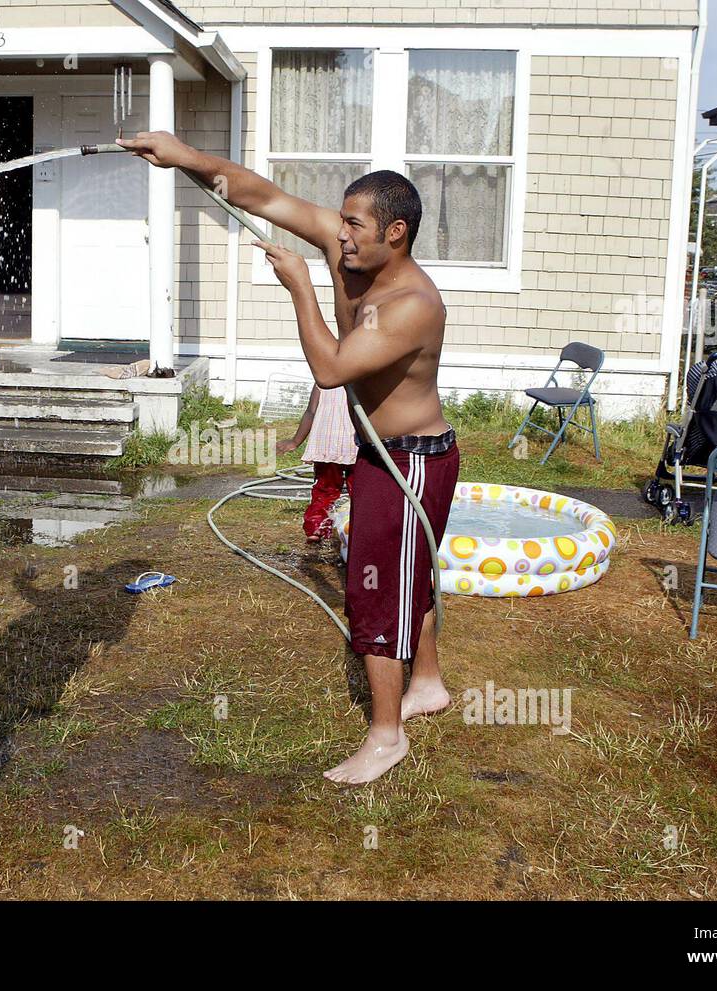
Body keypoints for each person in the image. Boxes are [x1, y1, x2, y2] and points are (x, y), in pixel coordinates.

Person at [120, 132, 458, 785]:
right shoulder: (345, 245)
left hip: (410, 460)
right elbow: (262, 194)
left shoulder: (412, 304)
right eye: (341, 219)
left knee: (378, 590)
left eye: (355, 224)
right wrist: (183, 156)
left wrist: (301, 289)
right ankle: (429, 681)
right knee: (403, 571)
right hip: (385, 450)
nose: (341, 234)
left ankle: (386, 737)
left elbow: (331, 369)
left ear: (396, 232)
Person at [277, 385, 356, 542]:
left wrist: (295, 441)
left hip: (327, 444)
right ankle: (360, 529)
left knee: (324, 490)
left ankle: (317, 527)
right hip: (355, 443)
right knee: (361, 491)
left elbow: (311, 412)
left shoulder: (323, 379)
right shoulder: (361, 374)